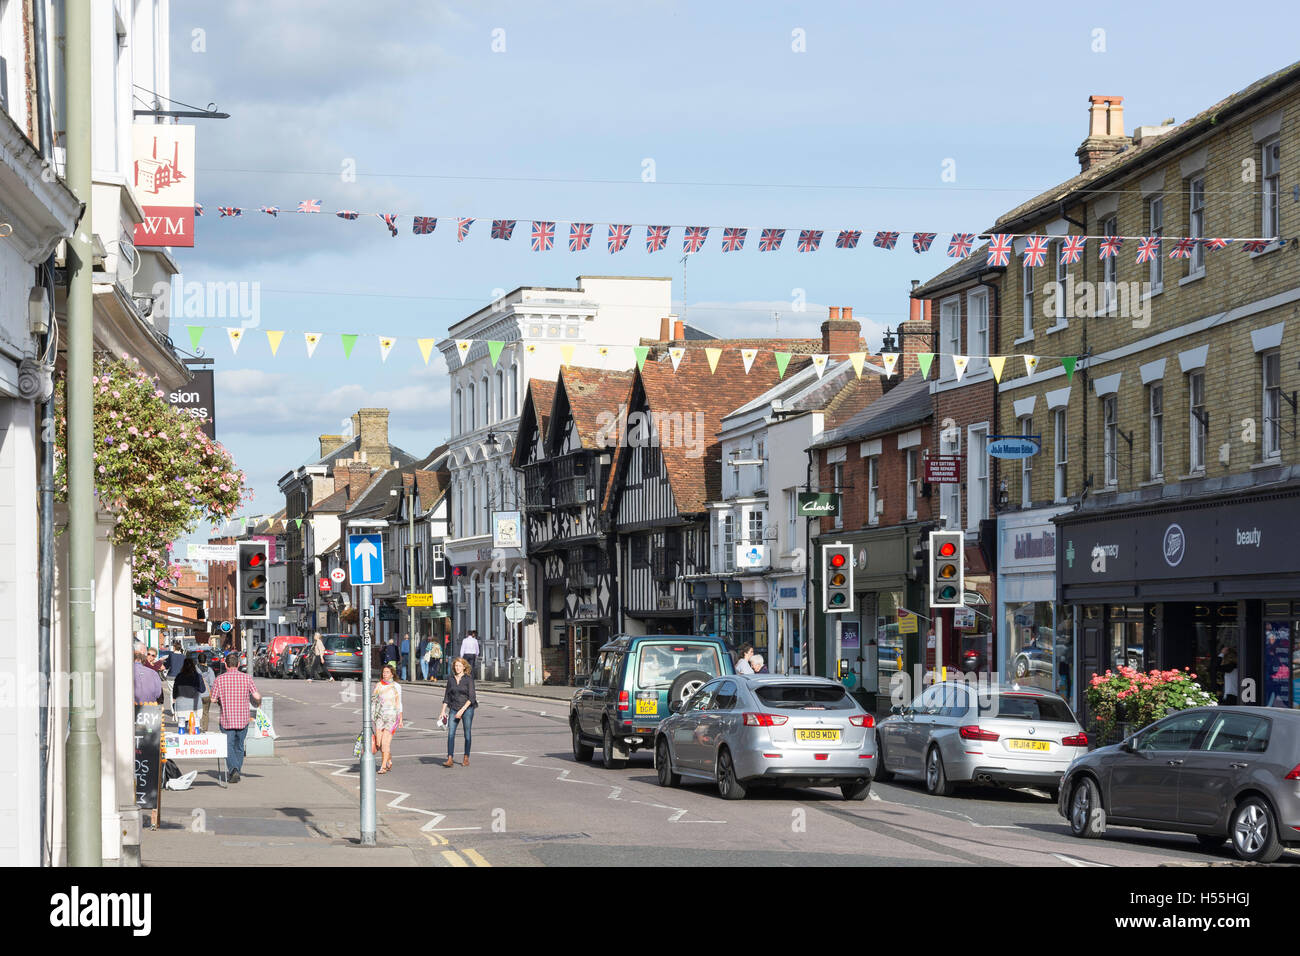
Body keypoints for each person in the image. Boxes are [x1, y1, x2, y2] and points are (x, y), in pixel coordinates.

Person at [209, 651, 262, 784]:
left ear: (226, 665)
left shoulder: (219, 679)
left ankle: (233, 770)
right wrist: (259, 704)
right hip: (243, 719)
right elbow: (256, 696)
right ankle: (236, 770)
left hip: (227, 719)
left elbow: (213, 699)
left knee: (228, 746)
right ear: (238, 664)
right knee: (239, 746)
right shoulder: (247, 678)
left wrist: (222, 699)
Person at [440, 657, 478, 767]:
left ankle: (466, 757)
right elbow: (447, 696)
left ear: (464, 667)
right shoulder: (451, 679)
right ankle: (450, 758)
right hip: (454, 708)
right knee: (451, 733)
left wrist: (461, 711)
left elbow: (472, 698)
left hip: (467, 709)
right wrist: (442, 711)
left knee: (467, 734)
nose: (457, 668)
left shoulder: (468, 679)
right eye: (456, 666)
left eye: (459, 666)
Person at [371, 663, 403, 774]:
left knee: (385, 743)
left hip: (392, 718)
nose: (385, 674)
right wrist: (372, 716)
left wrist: (401, 718)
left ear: (392, 674)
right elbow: (373, 701)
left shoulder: (396, 686)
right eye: (384, 672)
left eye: (387, 672)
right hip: (379, 717)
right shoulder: (378, 685)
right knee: (379, 744)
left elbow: (399, 703)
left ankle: (383, 766)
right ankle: (388, 759)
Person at [173, 656, 206, 730]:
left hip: (181, 705)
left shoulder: (179, 676)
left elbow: (175, 691)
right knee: (194, 729)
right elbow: (202, 689)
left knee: (182, 729)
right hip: (195, 705)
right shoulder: (198, 676)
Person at [197, 653, 217, 731]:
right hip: (207, 695)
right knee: (205, 712)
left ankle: (197, 727)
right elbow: (212, 684)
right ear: (205, 660)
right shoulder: (210, 670)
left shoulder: (194, 669)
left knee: (197, 712)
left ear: (198, 660)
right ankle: (204, 729)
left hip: (197, 695)